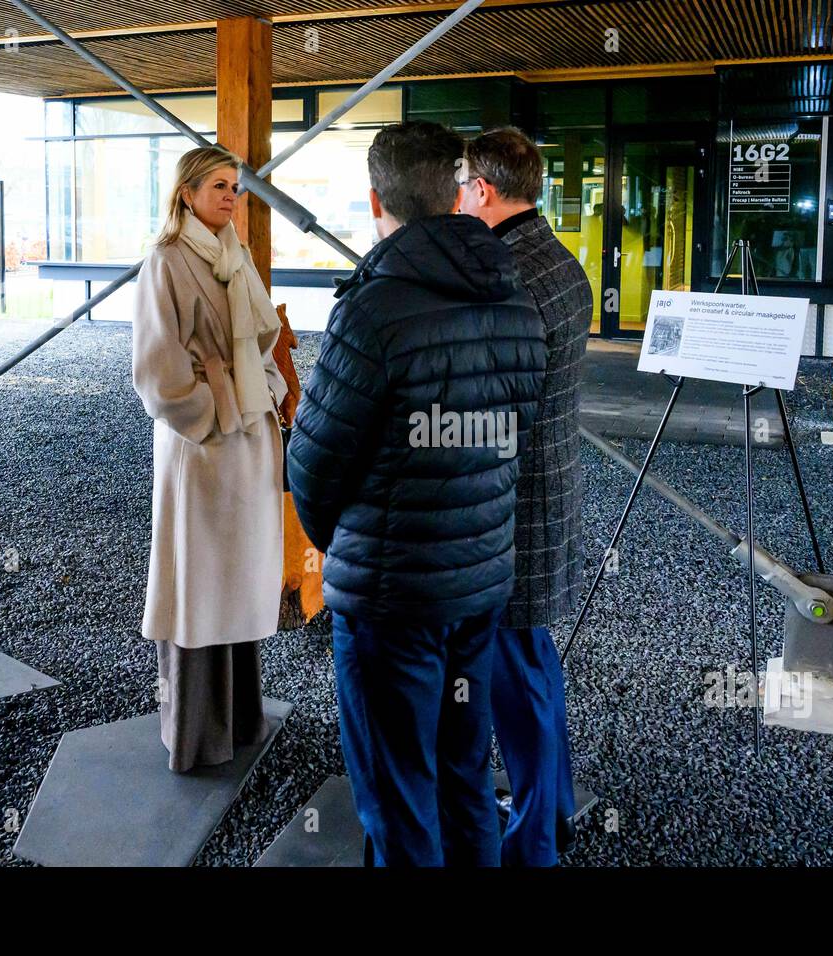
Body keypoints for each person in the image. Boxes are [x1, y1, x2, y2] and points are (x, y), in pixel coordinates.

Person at [287, 121, 547, 866]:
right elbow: (511, 438)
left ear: (376, 199)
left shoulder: (371, 312)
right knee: (462, 776)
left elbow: (313, 466)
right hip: (479, 587)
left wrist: (345, 546)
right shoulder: (514, 300)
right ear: (459, 191)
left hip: (392, 601)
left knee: (399, 797)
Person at [459, 127, 593, 866]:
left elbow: (496, 405)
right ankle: (555, 806)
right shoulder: (557, 255)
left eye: (462, 186)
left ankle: (537, 838)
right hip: (549, 493)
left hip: (514, 508)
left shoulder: (504, 270)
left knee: (517, 678)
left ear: (483, 189)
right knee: (532, 666)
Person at [131, 145, 287, 773]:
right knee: (197, 583)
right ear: (187, 192)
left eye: (236, 186)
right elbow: (156, 371)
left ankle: (242, 719)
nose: (230, 196)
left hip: (248, 438)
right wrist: (210, 408)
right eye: (218, 185)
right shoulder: (164, 262)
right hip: (201, 448)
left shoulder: (236, 256)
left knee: (240, 577)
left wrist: (266, 392)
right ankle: (198, 732)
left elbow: (264, 338)